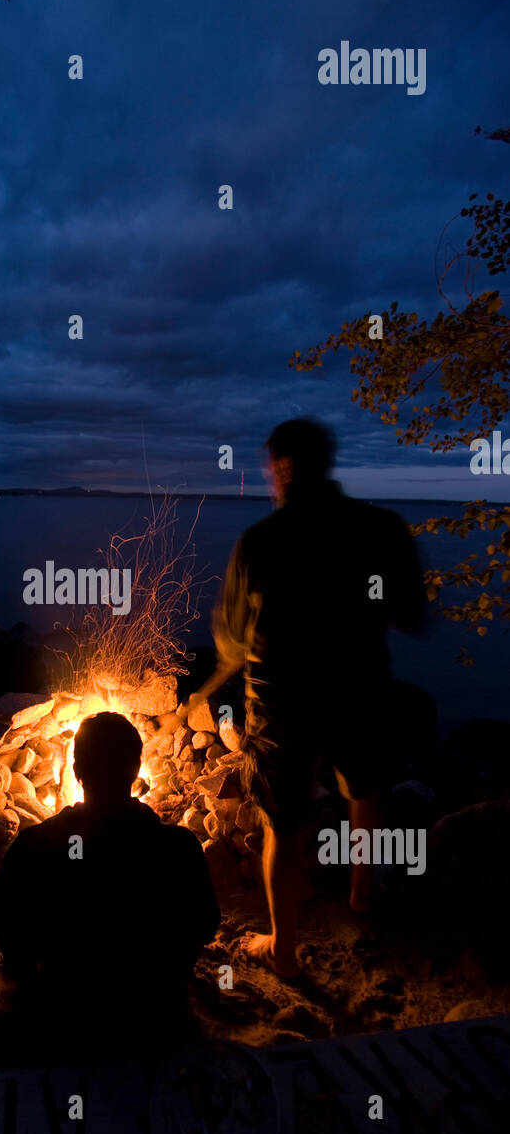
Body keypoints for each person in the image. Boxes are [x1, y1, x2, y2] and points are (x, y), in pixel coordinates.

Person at [190, 418, 425, 979]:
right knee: (366, 793)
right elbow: (410, 612)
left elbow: (233, 638)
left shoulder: (262, 542)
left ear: (284, 468)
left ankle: (284, 949)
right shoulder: (382, 529)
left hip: (284, 701)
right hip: (360, 690)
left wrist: (208, 684)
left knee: (284, 822)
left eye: (271, 469)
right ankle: (362, 895)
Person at [0, 711, 220, 1060]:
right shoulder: (179, 848)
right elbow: (205, 924)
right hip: (153, 1016)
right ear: (135, 772)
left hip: (66, 1014)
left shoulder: (36, 845)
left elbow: (1, 920)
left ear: (77, 772)